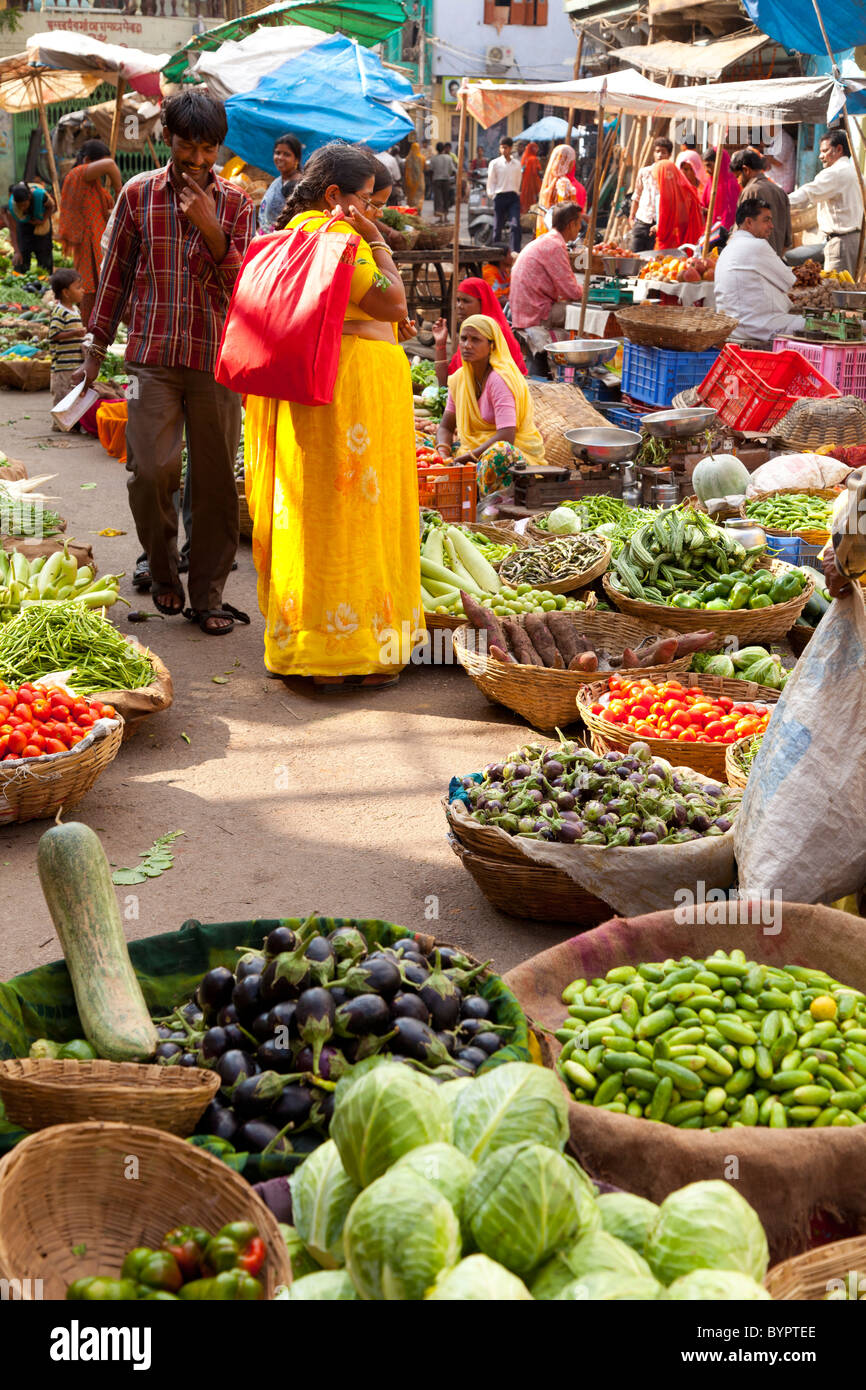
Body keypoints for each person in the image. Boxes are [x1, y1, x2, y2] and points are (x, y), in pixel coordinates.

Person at [74, 90, 255, 635]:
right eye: (186, 146)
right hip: (151, 356)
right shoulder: (136, 195)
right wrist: (94, 346)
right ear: (166, 140)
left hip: (214, 360)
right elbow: (115, 279)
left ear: (218, 146)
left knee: (217, 483)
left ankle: (209, 596)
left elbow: (243, 285)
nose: (198, 160)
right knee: (149, 471)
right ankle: (161, 567)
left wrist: (209, 226)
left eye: (207, 149)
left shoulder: (239, 204)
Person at [244, 143, 422, 689]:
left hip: (306, 391)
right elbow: (392, 304)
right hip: (351, 391)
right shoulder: (344, 236)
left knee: (311, 512)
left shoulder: (286, 235)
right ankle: (360, 652)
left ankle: (307, 648)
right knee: (357, 516)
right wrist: (375, 241)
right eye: (366, 199)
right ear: (334, 196)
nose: (371, 210)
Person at [436, 314, 545, 497]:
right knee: (422, 441)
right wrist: (443, 452)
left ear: (492, 346)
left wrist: (469, 457)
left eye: (476, 340)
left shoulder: (500, 380)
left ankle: (487, 508)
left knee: (498, 453)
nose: (467, 345)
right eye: (463, 339)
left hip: (513, 453)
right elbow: (446, 426)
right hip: (474, 450)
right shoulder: (459, 379)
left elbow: (506, 435)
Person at [714, 197, 806, 349]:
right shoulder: (757, 246)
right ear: (749, 222)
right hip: (756, 326)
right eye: (766, 220)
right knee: (815, 326)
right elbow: (790, 280)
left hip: (733, 326)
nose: (771, 226)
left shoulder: (728, 248)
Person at [56, 140, 122, 330]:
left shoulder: (96, 188)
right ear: (87, 160)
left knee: (103, 293)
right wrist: (120, 191)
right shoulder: (78, 174)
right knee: (87, 292)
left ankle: (96, 330)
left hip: (99, 246)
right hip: (87, 247)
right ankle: (87, 332)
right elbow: (110, 165)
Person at [789, 129, 864, 278]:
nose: (820, 156)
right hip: (856, 240)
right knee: (847, 291)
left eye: (824, 151)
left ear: (839, 149)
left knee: (836, 294)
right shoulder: (855, 171)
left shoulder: (835, 173)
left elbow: (807, 193)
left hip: (842, 243)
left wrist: (778, 200)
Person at [510, 202, 584, 346]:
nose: (580, 228)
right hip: (534, 312)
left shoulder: (548, 240)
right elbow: (572, 292)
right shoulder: (555, 246)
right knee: (586, 313)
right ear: (571, 224)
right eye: (579, 223)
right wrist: (588, 291)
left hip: (524, 309)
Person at [431, 275, 526, 387]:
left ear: (483, 302)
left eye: (466, 301)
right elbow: (446, 384)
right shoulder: (469, 332)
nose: (459, 306)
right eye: (458, 300)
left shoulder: (493, 333)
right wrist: (440, 344)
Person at [730, 149, 792, 260]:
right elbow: (787, 240)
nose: (738, 182)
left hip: (754, 262)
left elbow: (739, 235)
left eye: (738, 176)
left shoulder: (750, 191)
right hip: (774, 262)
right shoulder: (780, 191)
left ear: (746, 170)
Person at [47, 267, 86, 427]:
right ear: (66, 292)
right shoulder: (60, 311)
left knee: (72, 393)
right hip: (63, 363)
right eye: (78, 287)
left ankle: (71, 421)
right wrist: (74, 332)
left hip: (75, 360)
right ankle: (58, 423)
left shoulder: (75, 309)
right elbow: (53, 335)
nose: (82, 290)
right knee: (62, 392)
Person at [629, 138, 673, 251]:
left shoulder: (672, 175)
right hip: (642, 220)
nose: (660, 155)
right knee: (634, 257)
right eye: (657, 151)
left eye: (663, 152)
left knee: (653, 261)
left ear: (669, 155)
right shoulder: (644, 172)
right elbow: (636, 195)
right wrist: (631, 217)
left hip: (659, 225)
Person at [4, 182, 55, 274]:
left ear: (30, 197)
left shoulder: (40, 196)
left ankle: (46, 279)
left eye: (24, 205)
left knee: (44, 254)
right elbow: (13, 229)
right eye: (20, 206)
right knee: (22, 254)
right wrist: (17, 251)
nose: (22, 208)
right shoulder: (13, 208)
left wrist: (43, 220)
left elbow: (51, 206)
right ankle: (20, 276)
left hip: (41, 224)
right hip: (23, 225)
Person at [654, 158, 704, 251]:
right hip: (685, 241)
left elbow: (666, 228)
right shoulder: (687, 192)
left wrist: (659, 228)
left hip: (673, 243)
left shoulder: (667, 197)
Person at [536, 144, 585, 235]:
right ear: (567, 162)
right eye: (572, 161)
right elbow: (566, 213)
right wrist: (584, 217)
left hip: (546, 232)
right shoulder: (563, 183)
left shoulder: (549, 181)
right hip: (560, 233)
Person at [258, 133, 302, 233]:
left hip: (279, 239)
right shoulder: (279, 180)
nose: (280, 157)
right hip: (266, 236)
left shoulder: (296, 185)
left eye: (286, 154)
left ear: (297, 159)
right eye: (277, 153)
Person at [486, 136, 523, 255]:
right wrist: (492, 195)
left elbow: (519, 180)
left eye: (505, 148)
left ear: (510, 148)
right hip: (500, 196)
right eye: (501, 148)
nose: (503, 150)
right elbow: (491, 181)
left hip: (513, 196)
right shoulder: (494, 163)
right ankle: (496, 253)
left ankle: (515, 253)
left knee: (515, 225)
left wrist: (516, 192)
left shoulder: (517, 164)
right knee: (497, 226)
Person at [701, 148, 740, 230]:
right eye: (704, 166)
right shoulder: (710, 183)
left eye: (709, 165)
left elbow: (731, 213)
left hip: (727, 232)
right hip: (711, 231)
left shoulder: (731, 184)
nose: (706, 170)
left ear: (720, 163)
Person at [764, 127, 797, 195]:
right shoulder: (774, 139)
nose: (764, 129)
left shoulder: (784, 139)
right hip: (774, 186)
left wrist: (760, 152)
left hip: (782, 187)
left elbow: (778, 162)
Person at [430, 141, 453, 222]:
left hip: (437, 180)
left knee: (438, 199)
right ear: (443, 148)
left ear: (436, 149)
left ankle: (440, 218)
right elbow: (452, 169)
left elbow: (431, 169)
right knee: (446, 198)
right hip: (446, 180)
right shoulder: (449, 158)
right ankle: (445, 217)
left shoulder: (433, 158)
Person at [520, 139, 542, 214]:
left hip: (524, 183)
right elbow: (538, 172)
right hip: (534, 183)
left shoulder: (524, 158)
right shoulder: (534, 159)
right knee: (535, 200)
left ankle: (524, 214)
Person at [403, 140, 424, 210]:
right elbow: (426, 168)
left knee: (411, 198)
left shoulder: (407, 158)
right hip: (420, 182)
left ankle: (411, 212)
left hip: (409, 181)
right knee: (419, 197)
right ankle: (418, 211)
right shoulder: (422, 158)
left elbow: (406, 170)